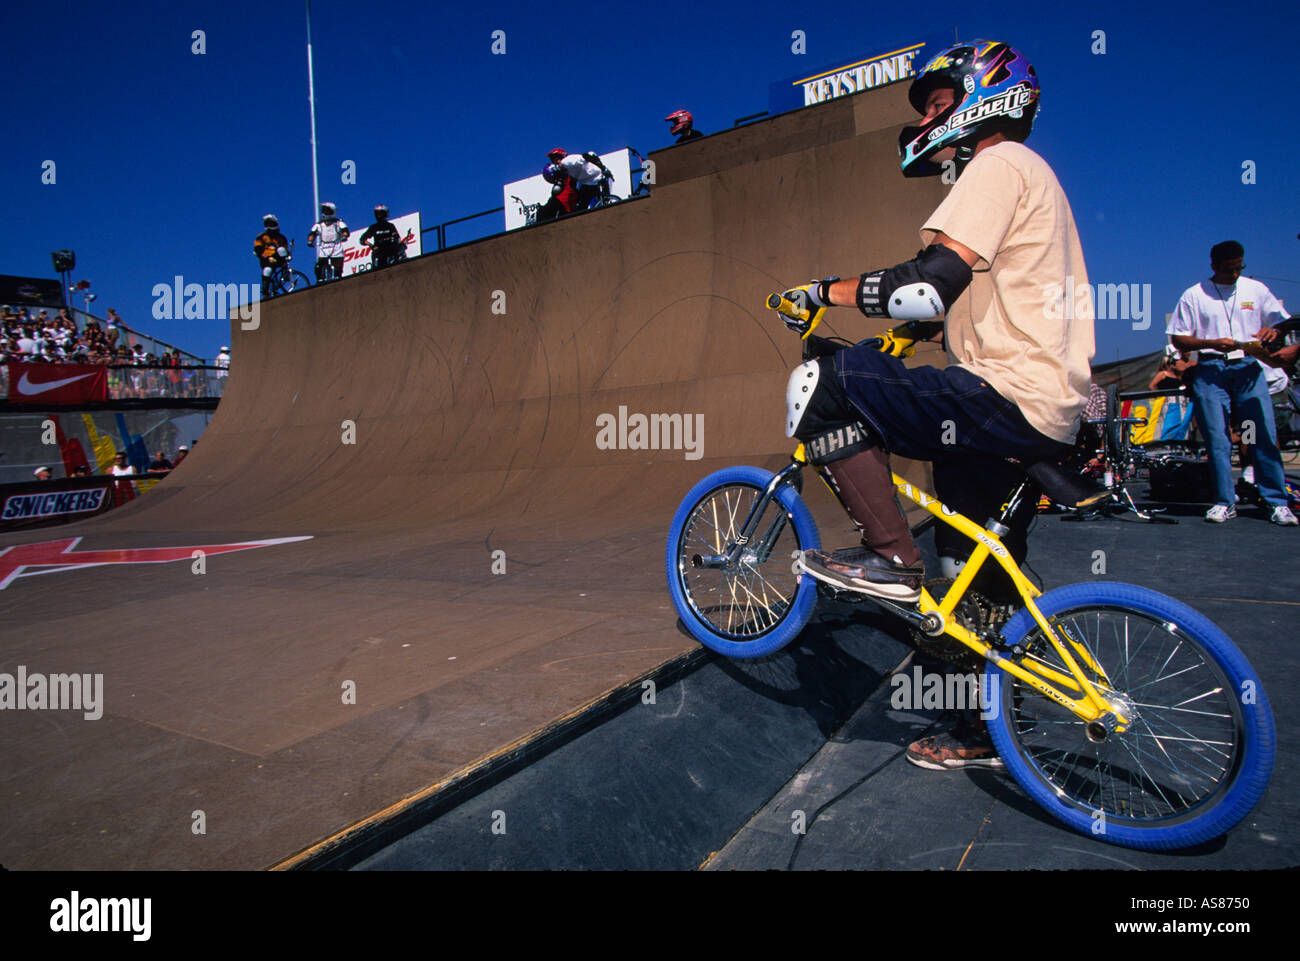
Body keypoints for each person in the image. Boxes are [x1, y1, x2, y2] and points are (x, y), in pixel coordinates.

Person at [776, 40, 1097, 769]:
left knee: (820, 387)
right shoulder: (1027, 175)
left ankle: (890, 557)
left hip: (1003, 392)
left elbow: (930, 281)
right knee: (969, 581)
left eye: (939, 100)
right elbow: (964, 297)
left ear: (988, 95)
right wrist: (908, 337)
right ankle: (989, 732)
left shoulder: (996, 163)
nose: (927, 114)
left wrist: (822, 292)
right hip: (1039, 407)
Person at [1167, 241, 1297, 525]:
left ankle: (1277, 501)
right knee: (1217, 438)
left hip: (1249, 367)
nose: (1235, 274)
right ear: (1214, 266)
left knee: (1262, 434)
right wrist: (1212, 342)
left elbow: (1283, 323)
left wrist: (1274, 331)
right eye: (1229, 270)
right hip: (1211, 369)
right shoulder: (1194, 294)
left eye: (1240, 268)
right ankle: (1224, 501)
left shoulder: (1256, 290)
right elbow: (1178, 338)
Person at [546, 148, 614, 212]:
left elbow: (589, 155)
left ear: (562, 157)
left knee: (603, 202)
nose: (555, 163)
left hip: (597, 177)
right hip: (588, 183)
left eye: (556, 159)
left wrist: (603, 169)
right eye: (553, 160)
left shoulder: (567, 161)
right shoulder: (566, 170)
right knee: (580, 207)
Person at [307, 202, 350, 282]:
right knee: (318, 267)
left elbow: (345, 231)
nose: (324, 213)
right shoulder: (319, 225)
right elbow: (312, 234)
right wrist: (310, 241)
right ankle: (320, 281)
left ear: (332, 212)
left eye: (327, 211)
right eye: (323, 211)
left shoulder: (339, 223)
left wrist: (344, 236)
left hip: (336, 247)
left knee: (338, 268)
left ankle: (338, 279)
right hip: (324, 248)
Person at [358, 205, 406, 270]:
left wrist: (392, 240)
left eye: (381, 213)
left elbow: (396, 237)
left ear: (385, 214)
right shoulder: (374, 227)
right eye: (377, 213)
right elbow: (362, 239)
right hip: (379, 252)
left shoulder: (390, 226)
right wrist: (371, 245)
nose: (379, 215)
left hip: (391, 250)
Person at [254, 214, 291, 297]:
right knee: (267, 270)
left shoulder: (281, 238)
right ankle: (265, 290)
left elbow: (285, 249)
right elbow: (257, 247)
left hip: (278, 258)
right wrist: (261, 254)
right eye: (267, 225)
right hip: (266, 258)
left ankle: (285, 272)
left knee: (281, 250)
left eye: (271, 224)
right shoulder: (261, 237)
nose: (269, 227)